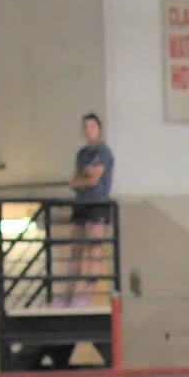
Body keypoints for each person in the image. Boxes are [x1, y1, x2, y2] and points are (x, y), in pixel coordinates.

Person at [62, 112, 115, 307]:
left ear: (99, 130)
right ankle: (68, 294)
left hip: (97, 205)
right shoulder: (81, 154)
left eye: (92, 127)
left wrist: (85, 179)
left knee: (94, 250)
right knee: (76, 250)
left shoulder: (104, 152)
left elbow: (93, 180)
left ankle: (88, 293)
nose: (89, 130)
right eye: (86, 127)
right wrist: (84, 179)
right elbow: (74, 182)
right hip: (81, 204)